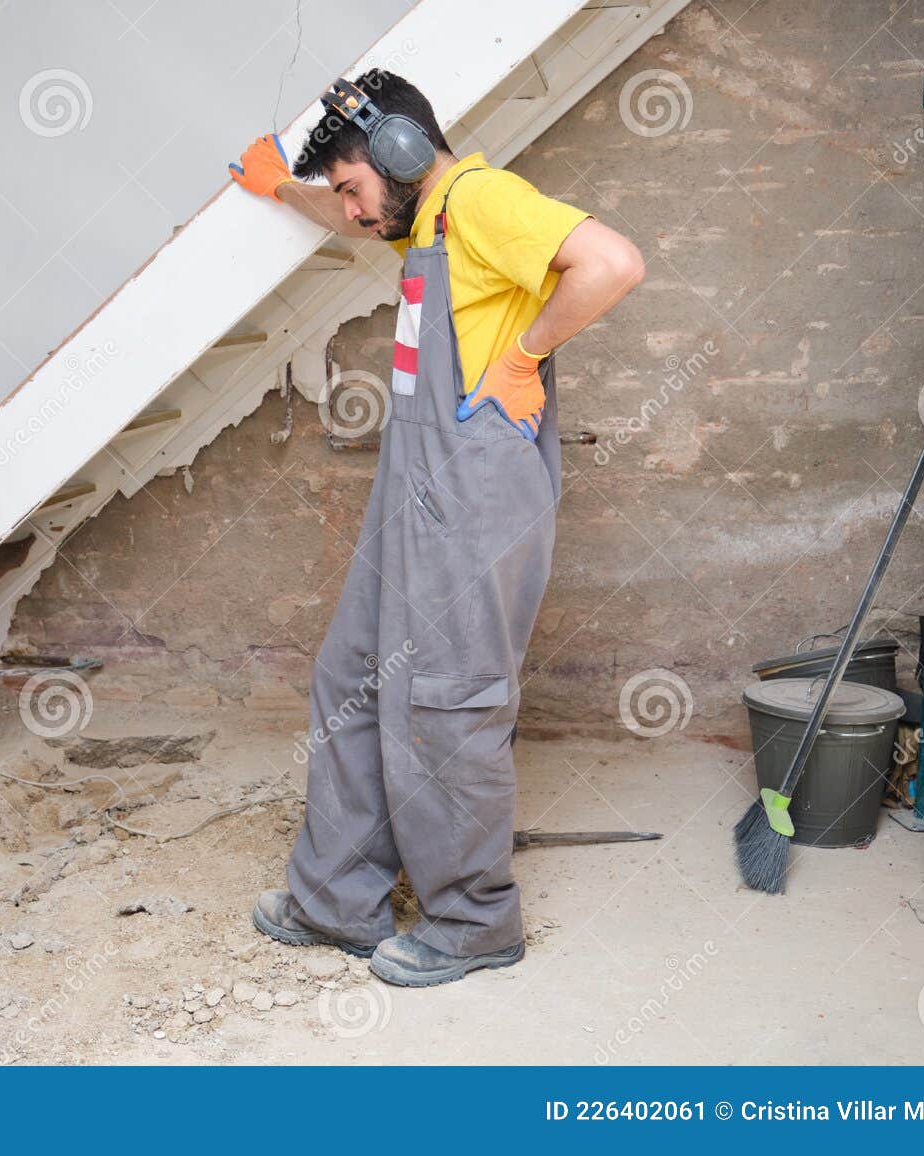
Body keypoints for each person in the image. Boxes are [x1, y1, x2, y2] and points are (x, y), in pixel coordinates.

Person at [228, 70, 644, 987]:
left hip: (473, 491)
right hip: (415, 485)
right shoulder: (429, 220)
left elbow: (612, 263)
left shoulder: (485, 201)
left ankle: (473, 922)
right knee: (353, 674)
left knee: (446, 696)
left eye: (352, 184)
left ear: (402, 153)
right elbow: (352, 214)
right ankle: (336, 900)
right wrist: (280, 189)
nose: (352, 211)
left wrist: (527, 358)